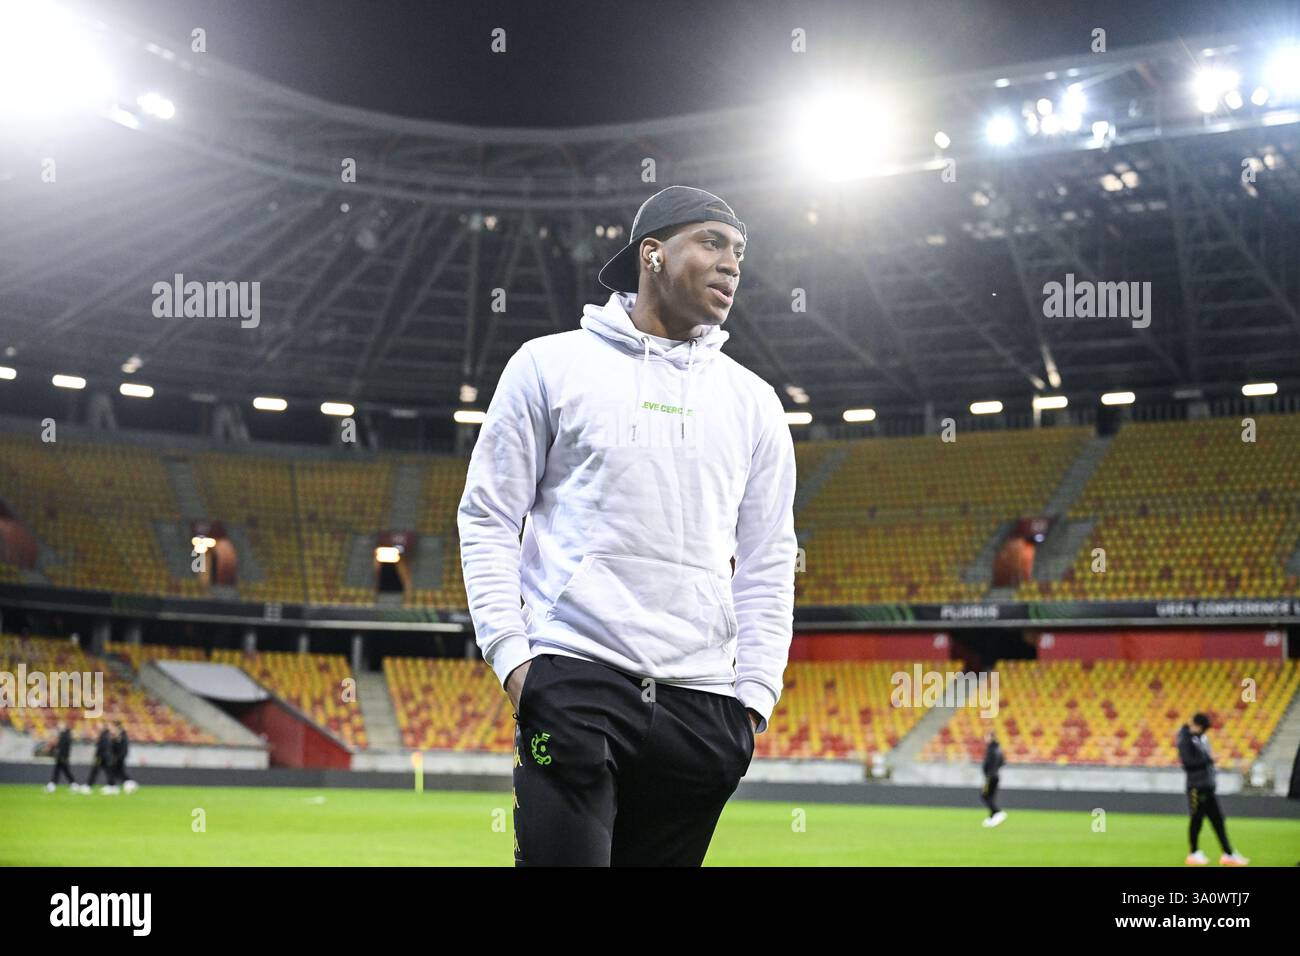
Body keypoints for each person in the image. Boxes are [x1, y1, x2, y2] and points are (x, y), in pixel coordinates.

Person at [459, 185, 797, 866]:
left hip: (702, 709)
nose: (732, 263)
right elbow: (489, 515)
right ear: (652, 255)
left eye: (739, 251)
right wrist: (515, 661)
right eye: (711, 242)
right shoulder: (548, 366)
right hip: (576, 682)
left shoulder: (755, 402)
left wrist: (753, 699)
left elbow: (767, 559)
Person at [1178, 713, 1248, 866]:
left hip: (1207, 787)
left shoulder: (1200, 738)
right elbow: (1188, 763)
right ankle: (1193, 853)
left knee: (1218, 820)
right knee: (1197, 820)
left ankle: (1228, 854)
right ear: (1196, 725)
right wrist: (1209, 759)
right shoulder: (1185, 740)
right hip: (1196, 787)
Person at [46, 721, 82, 792]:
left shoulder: (65, 735)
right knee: (59, 771)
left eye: (60, 725)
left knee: (64, 771)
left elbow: (62, 747)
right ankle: (53, 784)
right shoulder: (65, 735)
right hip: (62, 756)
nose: (59, 727)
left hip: (62, 756)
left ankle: (73, 784)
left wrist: (54, 746)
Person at [980, 730, 1007, 827]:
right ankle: (992, 817)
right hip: (995, 776)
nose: (985, 739)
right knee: (990, 796)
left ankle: (997, 812)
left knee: (984, 795)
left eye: (987, 736)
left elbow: (988, 763)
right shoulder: (998, 749)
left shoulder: (991, 749)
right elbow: (1003, 761)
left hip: (990, 776)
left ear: (991, 737)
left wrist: (989, 771)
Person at [86, 725, 118, 794]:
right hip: (106, 758)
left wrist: (97, 756)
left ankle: (88, 786)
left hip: (102, 757)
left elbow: (101, 748)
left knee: (95, 772)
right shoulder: (107, 736)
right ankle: (113, 786)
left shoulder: (103, 736)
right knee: (108, 772)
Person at [113, 721, 137, 793]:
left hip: (120, 756)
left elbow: (122, 747)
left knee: (119, 771)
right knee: (119, 771)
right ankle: (129, 783)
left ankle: (130, 782)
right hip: (121, 755)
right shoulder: (122, 734)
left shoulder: (122, 734)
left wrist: (119, 756)